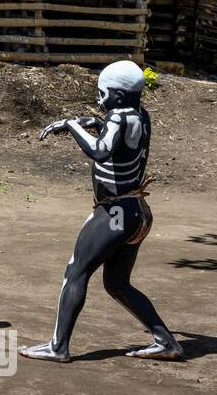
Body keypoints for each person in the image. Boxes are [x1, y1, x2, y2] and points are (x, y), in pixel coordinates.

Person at [20, 60, 183, 363]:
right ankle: (167, 342)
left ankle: (58, 346)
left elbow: (100, 150)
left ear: (118, 96)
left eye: (102, 93)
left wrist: (71, 126)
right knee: (117, 283)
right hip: (137, 212)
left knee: (75, 271)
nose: (99, 98)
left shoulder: (119, 117)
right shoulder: (140, 116)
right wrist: (92, 120)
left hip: (115, 213)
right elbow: (116, 134)